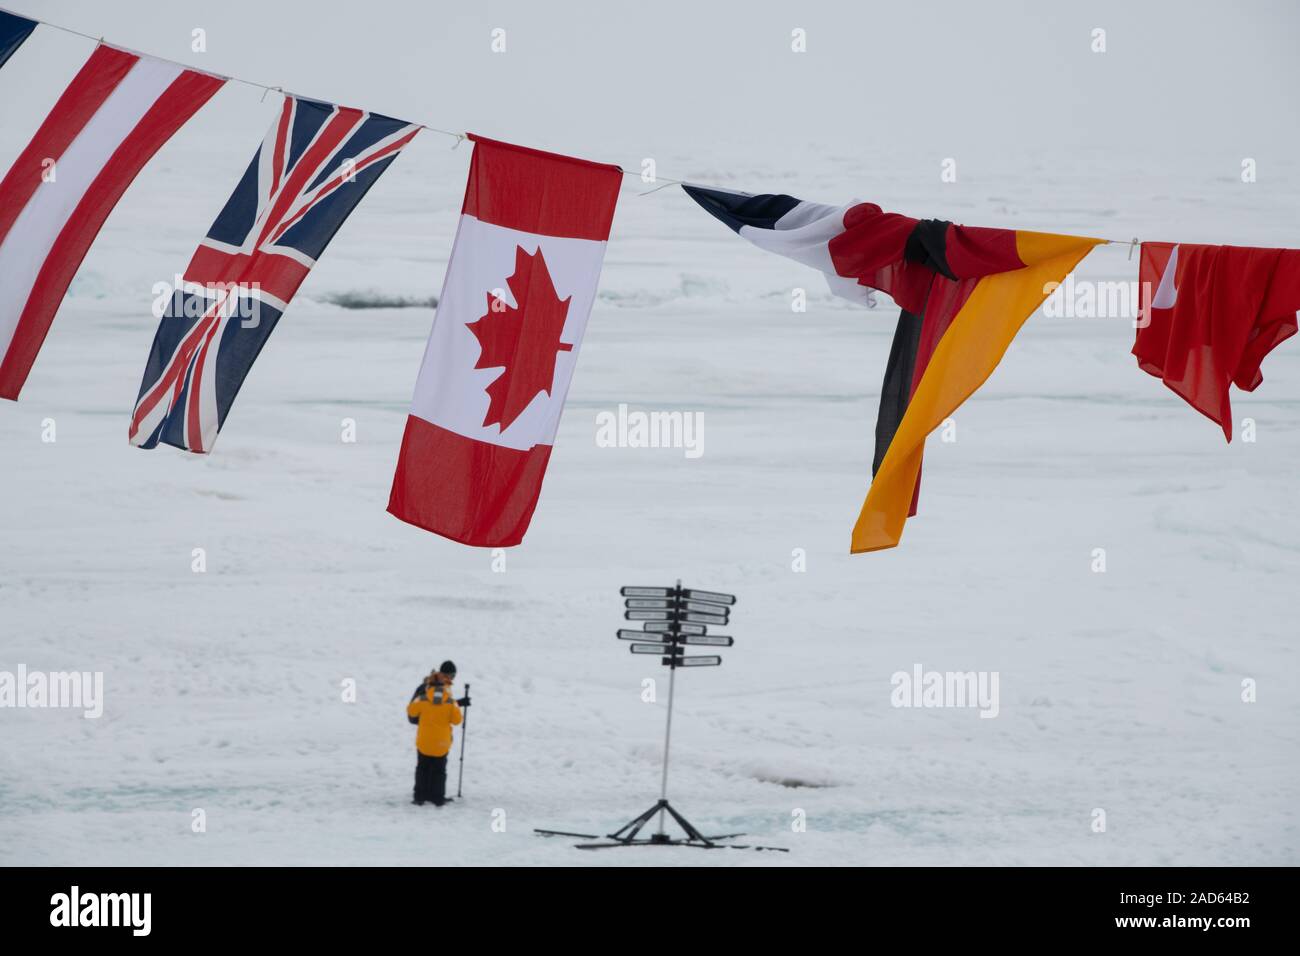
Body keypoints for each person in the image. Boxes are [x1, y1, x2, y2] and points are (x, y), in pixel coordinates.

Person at [406, 660, 469, 806]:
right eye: (452, 676)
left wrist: (458, 703)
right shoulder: (446, 695)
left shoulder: (425, 692)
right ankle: (437, 797)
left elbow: (416, 708)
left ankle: (420, 796)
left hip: (425, 737)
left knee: (423, 767)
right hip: (441, 739)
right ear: (446, 675)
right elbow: (452, 714)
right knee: (439, 770)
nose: (452, 679)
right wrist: (457, 704)